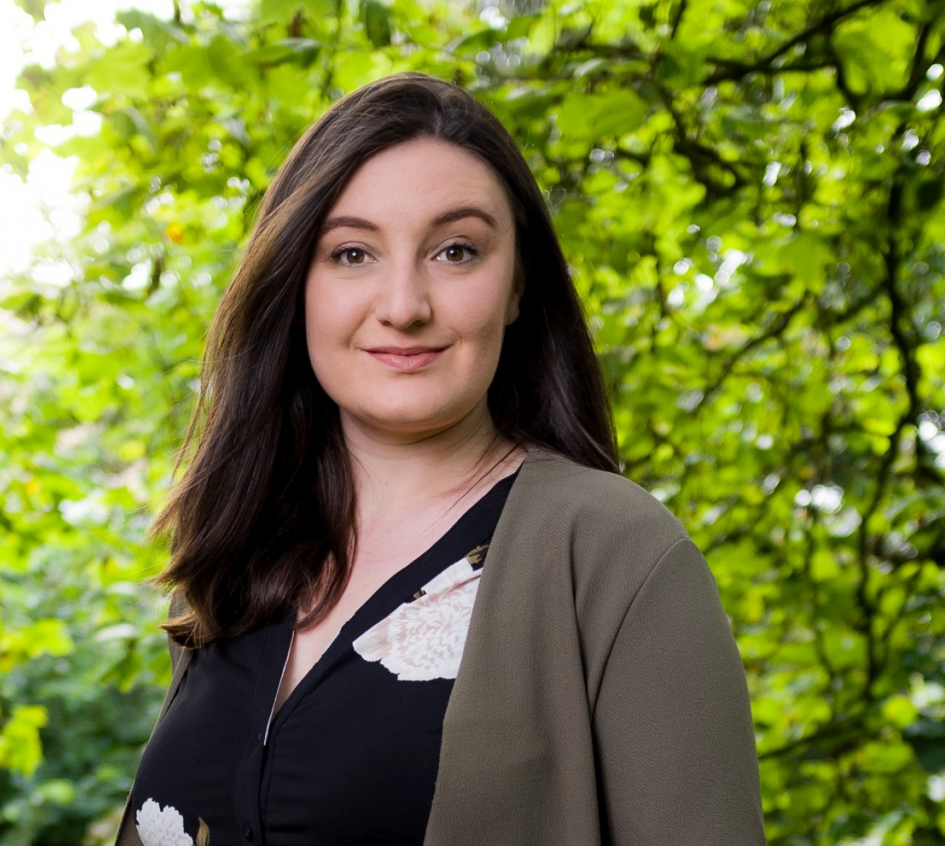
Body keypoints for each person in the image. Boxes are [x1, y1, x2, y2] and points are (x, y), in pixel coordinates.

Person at [117, 72, 762, 846]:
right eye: (351, 253)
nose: (403, 304)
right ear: (295, 283)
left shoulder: (612, 553)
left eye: (456, 251)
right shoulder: (244, 563)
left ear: (518, 283)